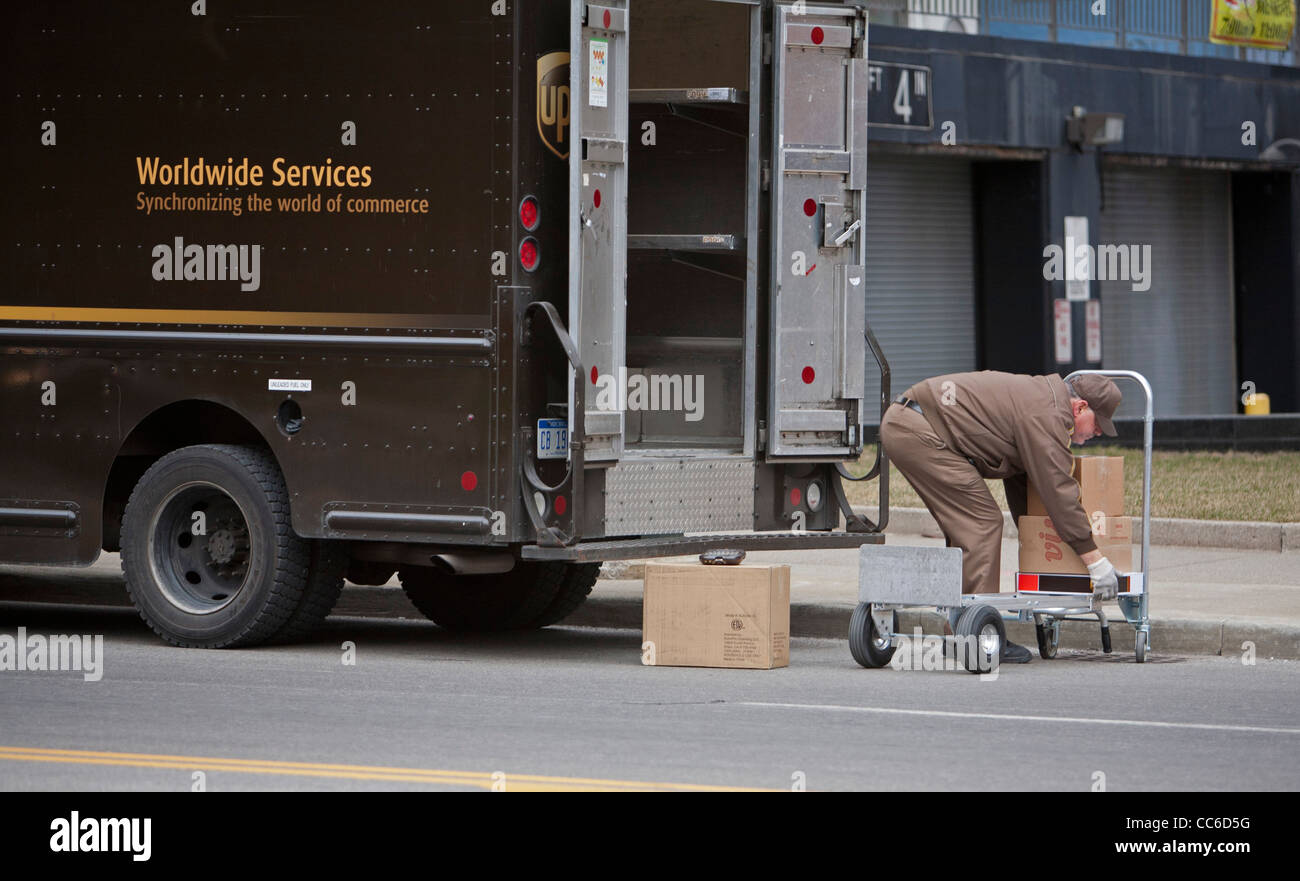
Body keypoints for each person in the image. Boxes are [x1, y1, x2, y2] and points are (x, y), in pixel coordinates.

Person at [878, 371, 1123, 663]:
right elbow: (1059, 491)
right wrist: (1094, 560)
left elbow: (1027, 481)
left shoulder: (1041, 400)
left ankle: (959, 628)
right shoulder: (1048, 415)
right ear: (1080, 407)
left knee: (968, 527)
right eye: (1098, 424)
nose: (1097, 433)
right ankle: (974, 637)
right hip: (920, 429)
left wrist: (1032, 536)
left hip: (908, 422)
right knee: (982, 523)